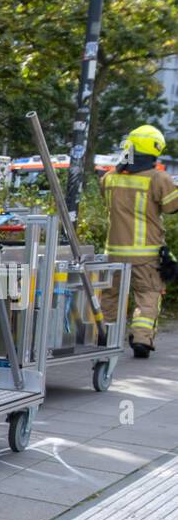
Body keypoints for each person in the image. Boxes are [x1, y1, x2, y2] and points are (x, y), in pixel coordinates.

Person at [100, 125, 178, 358]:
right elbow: (172, 207)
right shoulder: (158, 178)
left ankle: (104, 336)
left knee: (110, 296)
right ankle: (142, 339)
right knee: (148, 295)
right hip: (145, 253)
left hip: (113, 252)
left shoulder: (109, 178)